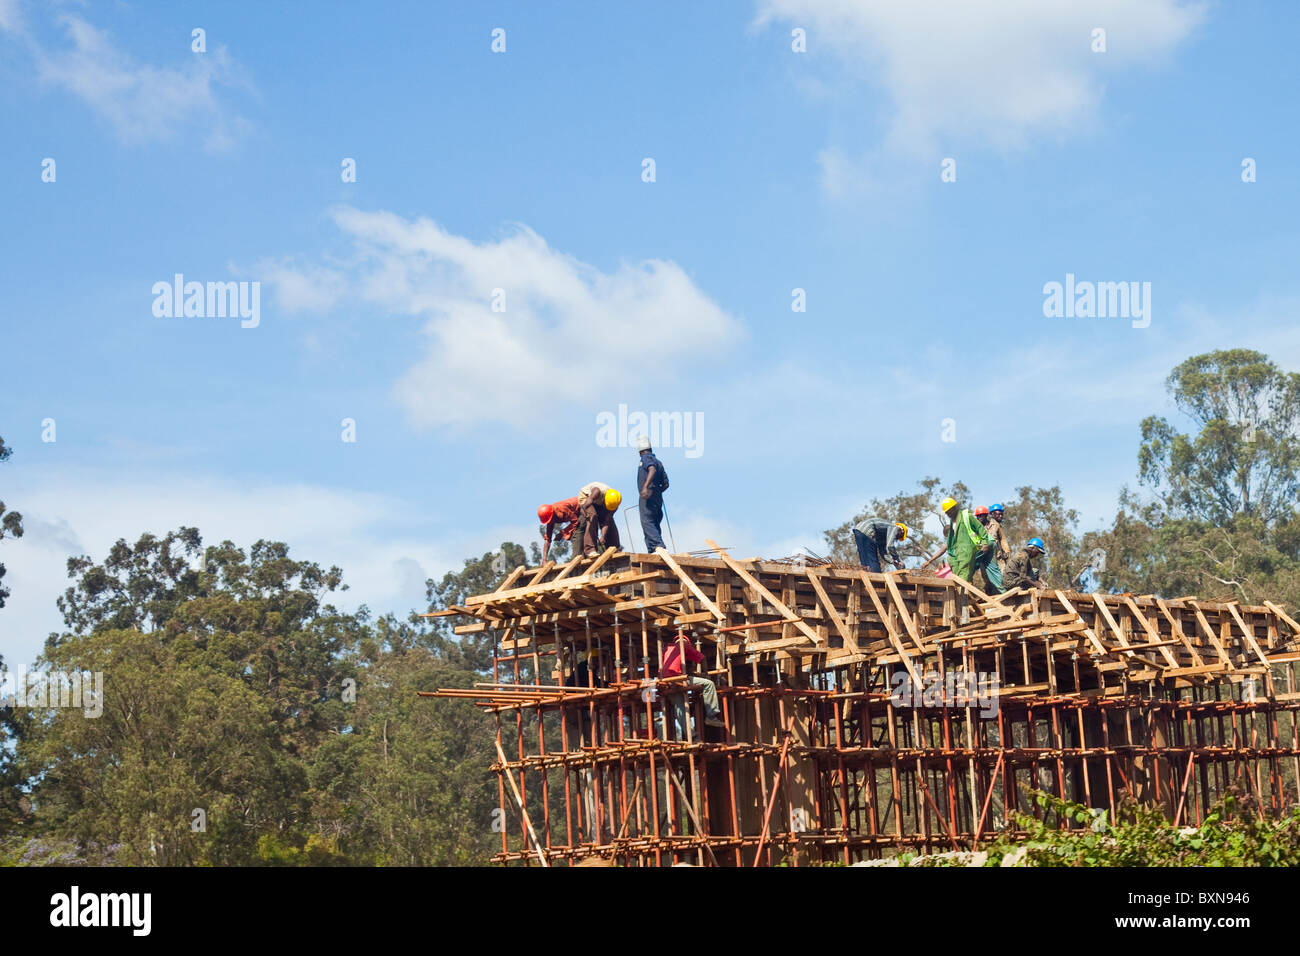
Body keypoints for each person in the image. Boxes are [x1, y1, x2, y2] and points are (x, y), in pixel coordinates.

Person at [659, 632, 723, 736]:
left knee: (680, 708)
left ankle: (691, 735)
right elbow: (702, 658)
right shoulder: (684, 645)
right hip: (677, 678)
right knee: (709, 684)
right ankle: (711, 716)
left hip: (664, 682)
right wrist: (705, 674)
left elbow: (670, 666)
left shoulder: (667, 649)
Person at [941, 496, 994, 584]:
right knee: (957, 578)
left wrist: (984, 543)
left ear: (954, 508)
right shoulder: (952, 521)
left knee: (963, 578)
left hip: (967, 551)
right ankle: (966, 594)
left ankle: (962, 596)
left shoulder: (966, 516)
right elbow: (950, 540)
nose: (948, 514)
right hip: (957, 553)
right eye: (946, 513)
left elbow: (980, 528)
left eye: (949, 511)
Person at [636, 435, 670, 553]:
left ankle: (658, 546)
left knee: (647, 521)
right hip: (657, 498)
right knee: (653, 522)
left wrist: (646, 487)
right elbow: (666, 484)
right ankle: (652, 549)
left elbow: (652, 469)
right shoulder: (659, 462)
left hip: (647, 496)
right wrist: (657, 492)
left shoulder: (646, 458)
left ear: (640, 451)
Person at [578, 482, 622, 557]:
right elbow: (584, 507)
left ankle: (614, 549)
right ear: (604, 500)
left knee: (611, 522)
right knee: (592, 516)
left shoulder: (615, 503)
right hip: (587, 498)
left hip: (598, 502)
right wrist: (583, 510)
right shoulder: (597, 491)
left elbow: (607, 521)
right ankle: (590, 550)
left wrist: (603, 537)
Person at [538, 498, 581, 563]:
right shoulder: (549, 517)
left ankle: (580, 555)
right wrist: (544, 559)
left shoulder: (562, 509)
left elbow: (575, 522)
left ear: (552, 514)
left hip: (582, 506)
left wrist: (562, 533)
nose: (550, 521)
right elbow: (548, 538)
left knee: (578, 534)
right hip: (576, 515)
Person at [973, 506, 1005, 594]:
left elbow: (1002, 539)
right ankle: (990, 596)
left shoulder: (995, 525)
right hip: (985, 559)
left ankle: (1002, 595)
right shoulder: (976, 528)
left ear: (986, 515)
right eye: (977, 516)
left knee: (1001, 576)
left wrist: (1006, 551)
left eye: (981, 516)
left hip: (998, 557)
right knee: (987, 579)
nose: (979, 518)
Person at [987, 503, 1012, 570]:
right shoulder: (993, 525)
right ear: (992, 514)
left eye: (1001, 514)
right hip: (997, 558)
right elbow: (994, 540)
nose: (1000, 516)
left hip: (1001, 557)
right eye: (998, 514)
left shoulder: (998, 525)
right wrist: (1002, 552)